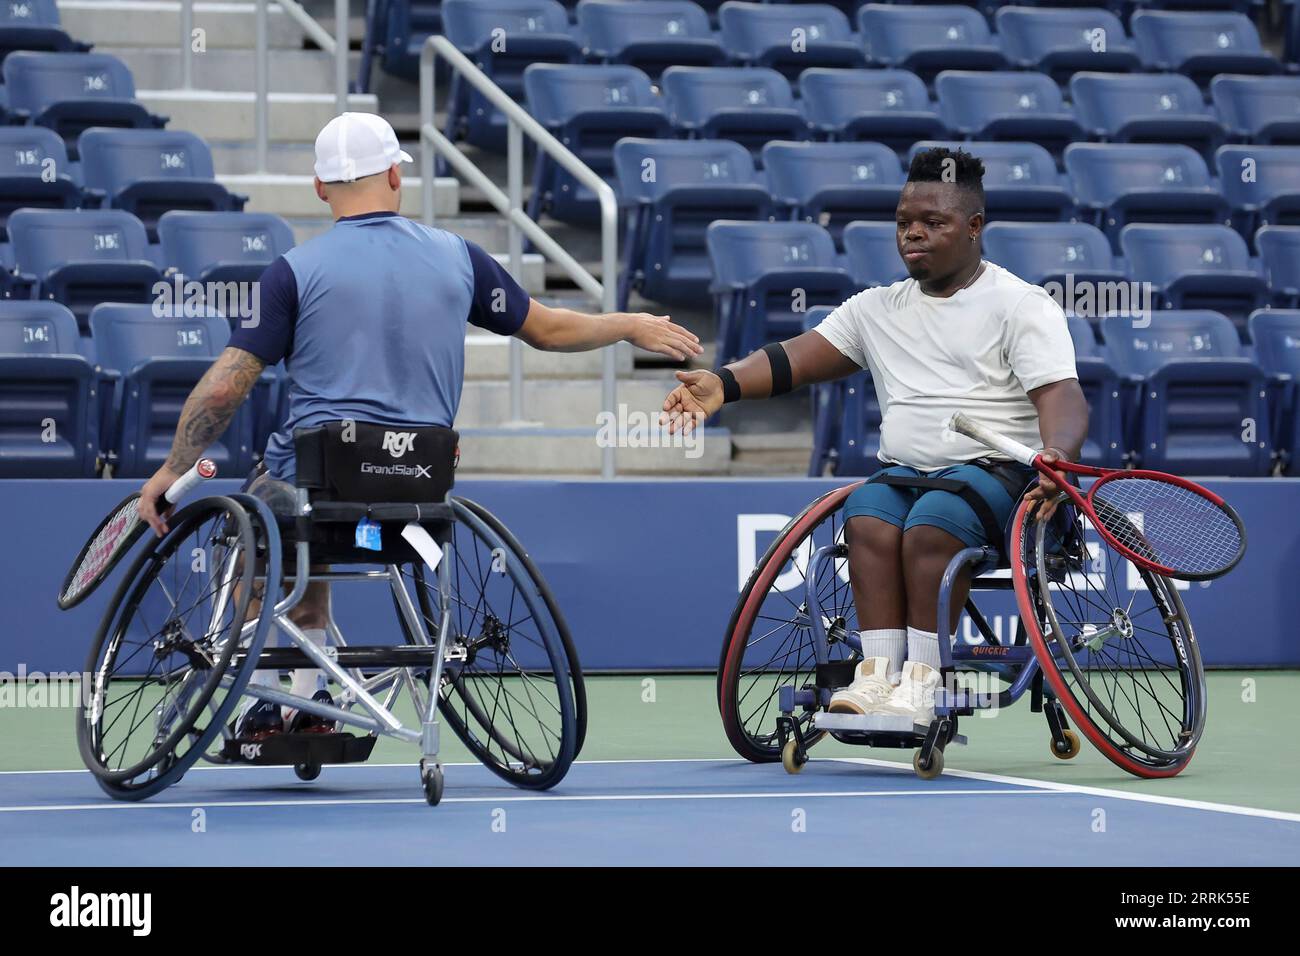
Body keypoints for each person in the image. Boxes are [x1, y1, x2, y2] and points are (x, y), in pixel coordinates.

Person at [138, 111, 702, 737]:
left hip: (312, 500)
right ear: (394, 177)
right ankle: (306, 700)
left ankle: (278, 699)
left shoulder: (293, 272)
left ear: (321, 188)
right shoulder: (461, 258)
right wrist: (629, 324)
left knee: (265, 523)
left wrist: (174, 467)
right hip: (412, 513)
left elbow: (227, 384)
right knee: (310, 507)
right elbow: (546, 329)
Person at [661, 146, 1088, 725]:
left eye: (932, 223)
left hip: (998, 477)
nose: (913, 234)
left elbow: (1061, 397)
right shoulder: (876, 309)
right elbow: (792, 359)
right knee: (866, 510)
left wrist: (1058, 457)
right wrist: (722, 384)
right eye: (904, 224)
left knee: (936, 517)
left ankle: (924, 678)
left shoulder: (1021, 305)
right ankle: (877, 675)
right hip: (906, 475)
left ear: (973, 227)